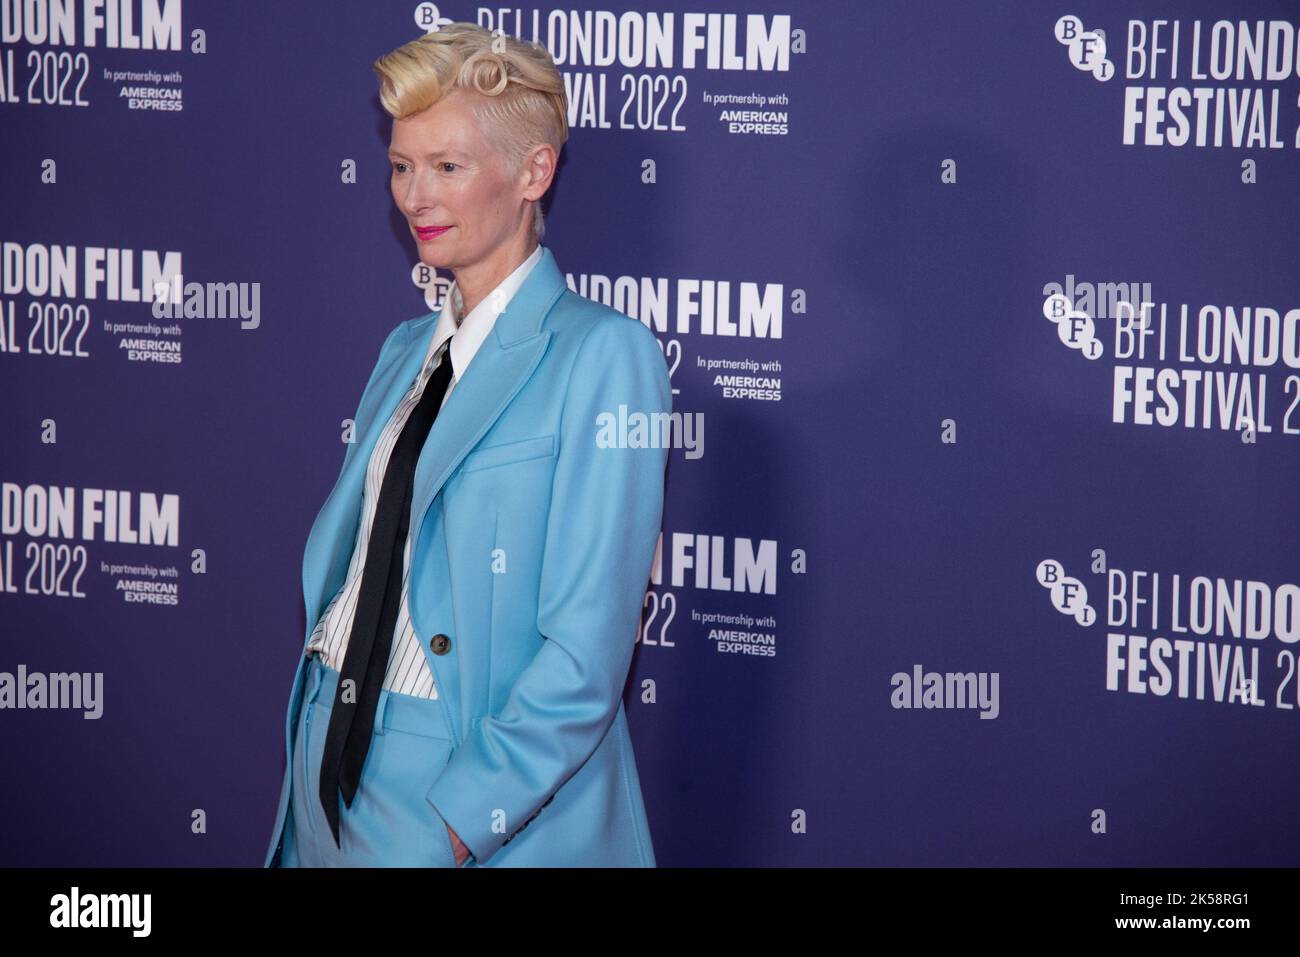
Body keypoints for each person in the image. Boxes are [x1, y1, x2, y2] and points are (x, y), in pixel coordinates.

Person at [263, 23, 669, 867]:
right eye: (403, 166)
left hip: (453, 788)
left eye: (447, 167)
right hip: (322, 757)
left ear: (533, 172)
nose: (415, 197)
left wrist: (463, 815)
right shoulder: (404, 350)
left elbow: (589, 647)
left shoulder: (603, 355)